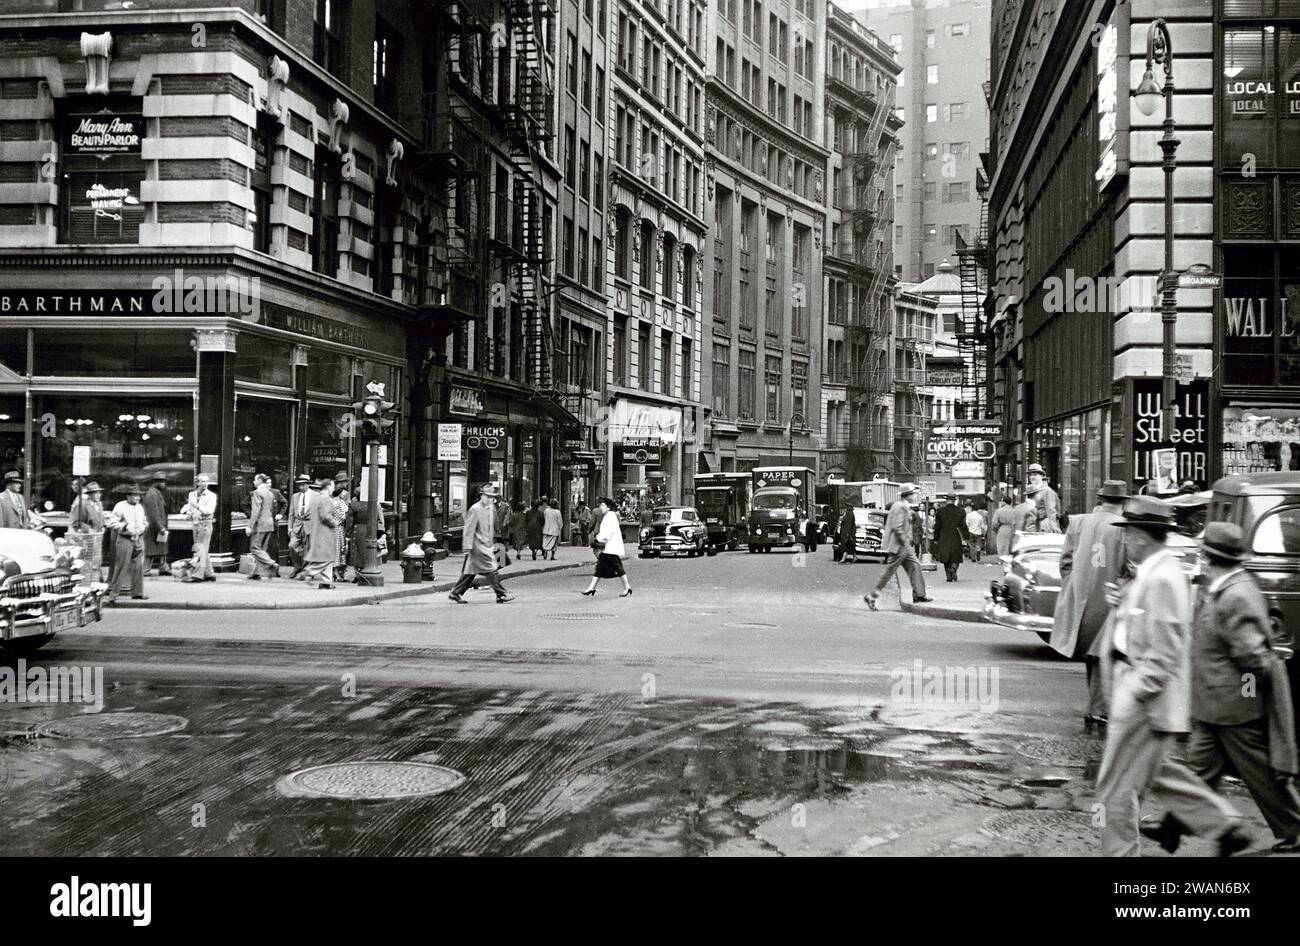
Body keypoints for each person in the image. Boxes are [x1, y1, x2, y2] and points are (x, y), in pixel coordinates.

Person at [1093, 496, 1251, 858]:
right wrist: (1124, 601)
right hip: (1140, 692)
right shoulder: (1153, 571)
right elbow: (1148, 626)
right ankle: (1224, 825)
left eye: (1128, 532)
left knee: (1114, 793)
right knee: (1158, 772)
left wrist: (1134, 692)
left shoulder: (1162, 577)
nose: (1125, 539)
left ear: (1140, 536)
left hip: (1143, 700)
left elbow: (1164, 650)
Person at [1140, 522, 1300, 855]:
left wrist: (1245, 699)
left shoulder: (1236, 594)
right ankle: (1173, 826)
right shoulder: (1224, 586)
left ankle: (1294, 829)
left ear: (1208, 556)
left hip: (1231, 709)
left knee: (1260, 774)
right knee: (1197, 770)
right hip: (1213, 704)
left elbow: (1254, 658)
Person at [1051, 479, 1128, 730]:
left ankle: (1097, 708)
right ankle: (1099, 710)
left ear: (1101, 498)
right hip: (1110, 599)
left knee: (1092, 656)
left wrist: (1073, 586)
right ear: (1123, 501)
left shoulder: (1078, 522)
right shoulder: (1125, 527)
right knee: (1102, 656)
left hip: (1081, 598)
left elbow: (1064, 562)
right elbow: (1129, 567)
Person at [864, 483, 931, 610]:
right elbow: (897, 527)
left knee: (915, 565)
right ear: (908, 495)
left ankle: (919, 594)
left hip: (903, 546)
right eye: (913, 493)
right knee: (889, 572)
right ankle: (872, 596)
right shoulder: (900, 507)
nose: (915, 495)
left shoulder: (902, 506)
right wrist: (905, 542)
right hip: (900, 546)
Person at [448, 485, 514, 604]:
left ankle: (456, 592)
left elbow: (491, 527)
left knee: (470, 571)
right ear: (482, 496)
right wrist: (467, 546)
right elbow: (468, 529)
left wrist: (492, 541)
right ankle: (501, 594)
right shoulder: (475, 509)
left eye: (492, 497)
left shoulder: (490, 508)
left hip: (486, 544)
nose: (490, 499)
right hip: (477, 545)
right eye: (488, 496)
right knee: (491, 568)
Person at [105, 483, 148, 604]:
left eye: (139, 496)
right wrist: (124, 527)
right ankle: (113, 594)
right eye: (135, 495)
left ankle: (138, 593)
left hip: (138, 538)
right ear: (128, 496)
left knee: (139, 566)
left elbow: (144, 520)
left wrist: (144, 526)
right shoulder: (120, 506)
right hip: (125, 538)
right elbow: (111, 522)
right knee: (121, 566)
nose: (138, 498)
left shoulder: (139, 507)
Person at [581, 496, 632, 596]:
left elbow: (608, 531)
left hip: (610, 547)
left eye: (603, 505)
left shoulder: (609, 516)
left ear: (608, 507)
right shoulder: (610, 515)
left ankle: (627, 587)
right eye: (600, 505)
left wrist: (599, 538)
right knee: (600, 568)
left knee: (617, 567)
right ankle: (591, 588)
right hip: (608, 547)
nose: (601, 507)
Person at [298, 478, 342, 589]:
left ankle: (326, 582)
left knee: (325, 556)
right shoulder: (325, 499)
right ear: (328, 487)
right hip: (325, 532)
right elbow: (325, 516)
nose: (333, 489)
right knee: (327, 558)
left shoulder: (315, 498)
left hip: (316, 531)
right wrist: (334, 522)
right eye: (332, 486)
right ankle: (309, 572)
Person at [179, 474, 217, 582]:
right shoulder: (192, 494)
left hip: (205, 523)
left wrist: (197, 506)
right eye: (202, 481)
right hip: (195, 523)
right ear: (197, 483)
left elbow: (210, 510)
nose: (205, 484)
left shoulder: (211, 496)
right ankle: (209, 573)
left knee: (200, 549)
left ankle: (197, 575)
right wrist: (189, 513)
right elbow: (190, 507)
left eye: (206, 481)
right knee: (201, 548)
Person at [69, 480, 106, 582]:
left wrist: (102, 527)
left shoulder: (99, 505)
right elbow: (76, 522)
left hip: (97, 539)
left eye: (99, 493)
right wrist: (89, 530)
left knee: (96, 562)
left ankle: (97, 581)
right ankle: (86, 583)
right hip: (86, 539)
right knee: (86, 562)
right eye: (95, 493)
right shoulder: (82, 504)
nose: (98, 495)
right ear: (90, 494)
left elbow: (100, 519)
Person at [246, 473, 278, 580]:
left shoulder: (257, 492)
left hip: (260, 524)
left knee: (254, 548)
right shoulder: (270, 493)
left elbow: (255, 511)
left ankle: (271, 563)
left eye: (255, 480)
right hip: (269, 523)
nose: (253, 482)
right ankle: (256, 572)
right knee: (262, 549)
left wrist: (250, 526)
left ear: (259, 480)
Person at [933, 493, 970, 582]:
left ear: (946, 500)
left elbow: (937, 526)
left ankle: (948, 575)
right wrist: (966, 536)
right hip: (955, 534)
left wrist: (936, 537)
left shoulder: (940, 511)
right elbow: (963, 525)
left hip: (944, 534)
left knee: (946, 555)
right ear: (955, 500)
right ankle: (953, 568)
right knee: (956, 554)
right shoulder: (961, 511)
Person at [142, 473, 170, 576]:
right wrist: (160, 527)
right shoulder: (152, 494)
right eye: (162, 482)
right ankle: (145, 569)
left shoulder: (155, 493)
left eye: (164, 481)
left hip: (157, 525)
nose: (164, 484)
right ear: (156, 482)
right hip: (154, 527)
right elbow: (153, 513)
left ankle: (163, 567)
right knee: (151, 549)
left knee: (161, 547)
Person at [288, 474, 315, 578]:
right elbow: (291, 513)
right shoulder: (295, 496)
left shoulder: (315, 496)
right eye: (299, 485)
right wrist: (290, 528)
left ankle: (305, 571)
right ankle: (297, 567)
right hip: (297, 526)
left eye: (303, 485)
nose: (301, 487)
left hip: (309, 526)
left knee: (307, 549)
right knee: (292, 545)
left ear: (308, 485)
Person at [1027, 464, 1061, 533]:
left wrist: (1054, 528)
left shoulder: (1047, 491)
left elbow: (1051, 510)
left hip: (1043, 527)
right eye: (1031, 475)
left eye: (1035, 475)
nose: (1032, 477)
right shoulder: (1031, 490)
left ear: (1041, 476)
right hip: (1033, 526)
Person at [332, 487, 352, 582]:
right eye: (344, 492)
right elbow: (342, 516)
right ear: (339, 493)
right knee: (337, 551)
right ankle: (336, 573)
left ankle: (340, 573)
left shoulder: (342, 502)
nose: (346, 494)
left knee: (342, 550)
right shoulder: (335, 502)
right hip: (336, 529)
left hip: (341, 529)